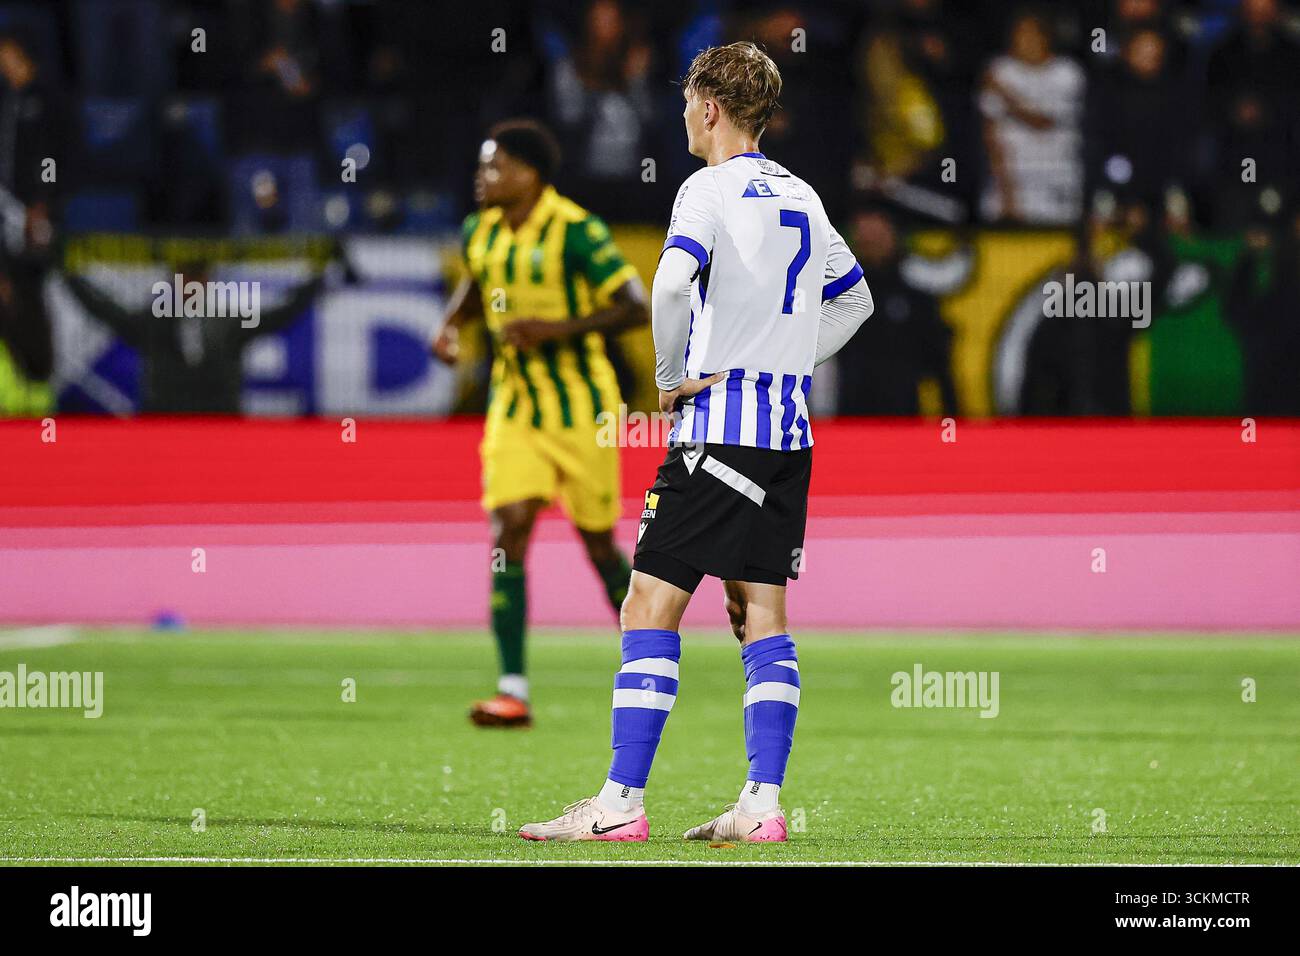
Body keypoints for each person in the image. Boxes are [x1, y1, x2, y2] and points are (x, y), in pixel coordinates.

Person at [518, 42, 874, 843]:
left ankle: (619, 804)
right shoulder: (805, 196)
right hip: (788, 440)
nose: (683, 113)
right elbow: (855, 305)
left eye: (687, 102)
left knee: (648, 602)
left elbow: (672, 283)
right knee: (762, 616)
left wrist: (671, 376)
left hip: (717, 437)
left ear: (709, 107)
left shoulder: (706, 189)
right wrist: (784, 359)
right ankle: (761, 805)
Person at [430, 119, 648, 728]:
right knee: (511, 527)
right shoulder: (480, 230)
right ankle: (512, 688)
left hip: (582, 410)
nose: (483, 177)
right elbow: (479, 281)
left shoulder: (576, 230)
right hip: (514, 406)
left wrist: (551, 330)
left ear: (528, 175)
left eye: (494, 167)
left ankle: (651, 657)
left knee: (599, 543)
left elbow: (635, 306)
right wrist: (450, 324)